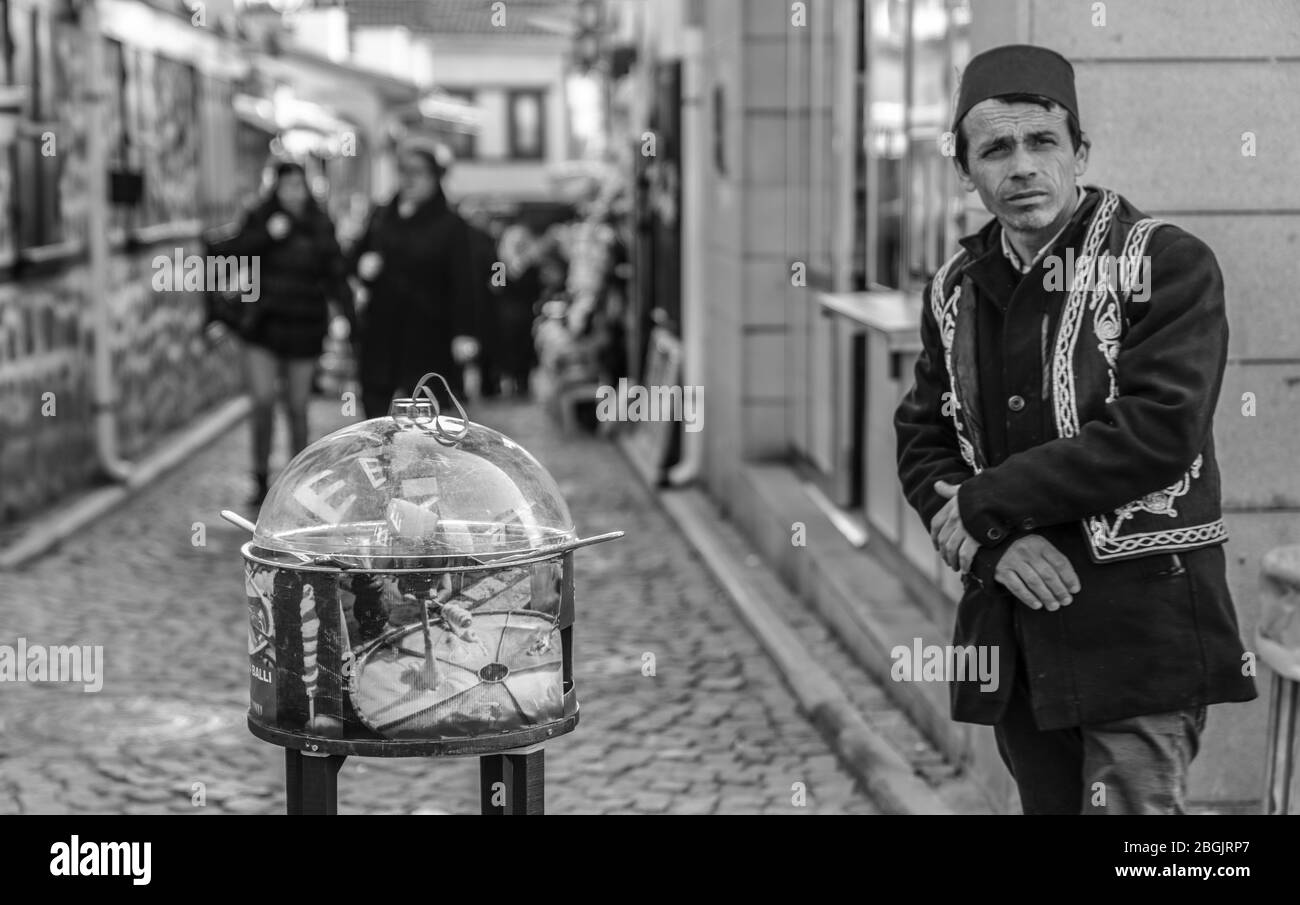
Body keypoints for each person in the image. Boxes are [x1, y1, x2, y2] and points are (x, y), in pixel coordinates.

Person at [894, 44, 1256, 815]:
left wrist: (988, 504)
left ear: (1080, 152)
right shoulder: (955, 287)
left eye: (1042, 142)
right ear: (967, 172)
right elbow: (923, 439)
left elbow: (1159, 431)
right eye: (995, 148)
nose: (1021, 166)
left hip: (1141, 632)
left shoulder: (1164, 262)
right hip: (1020, 636)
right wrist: (993, 543)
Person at [214, 160, 353, 506]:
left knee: (297, 405)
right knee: (262, 401)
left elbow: (335, 272)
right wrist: (267, 235)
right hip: (263, 327)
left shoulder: (319, 225)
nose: (293, 192)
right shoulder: (262, 218)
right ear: (275, 188)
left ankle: (300, 479)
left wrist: (350, 317)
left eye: (298, 185)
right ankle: (260, 478)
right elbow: (230, 252)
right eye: (286, 185)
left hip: (304, 327)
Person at [348, 140, 479, 417]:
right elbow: (354, 258)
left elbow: (464, 282)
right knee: (377, 413)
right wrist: (363, 266)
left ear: (434, 177)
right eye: (403, 171)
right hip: (382, 331)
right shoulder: (382, 215)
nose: (408, 179)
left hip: (429, 332)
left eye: (416, 172)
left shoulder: (451, 225)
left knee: (426, 412)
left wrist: (464, 331)